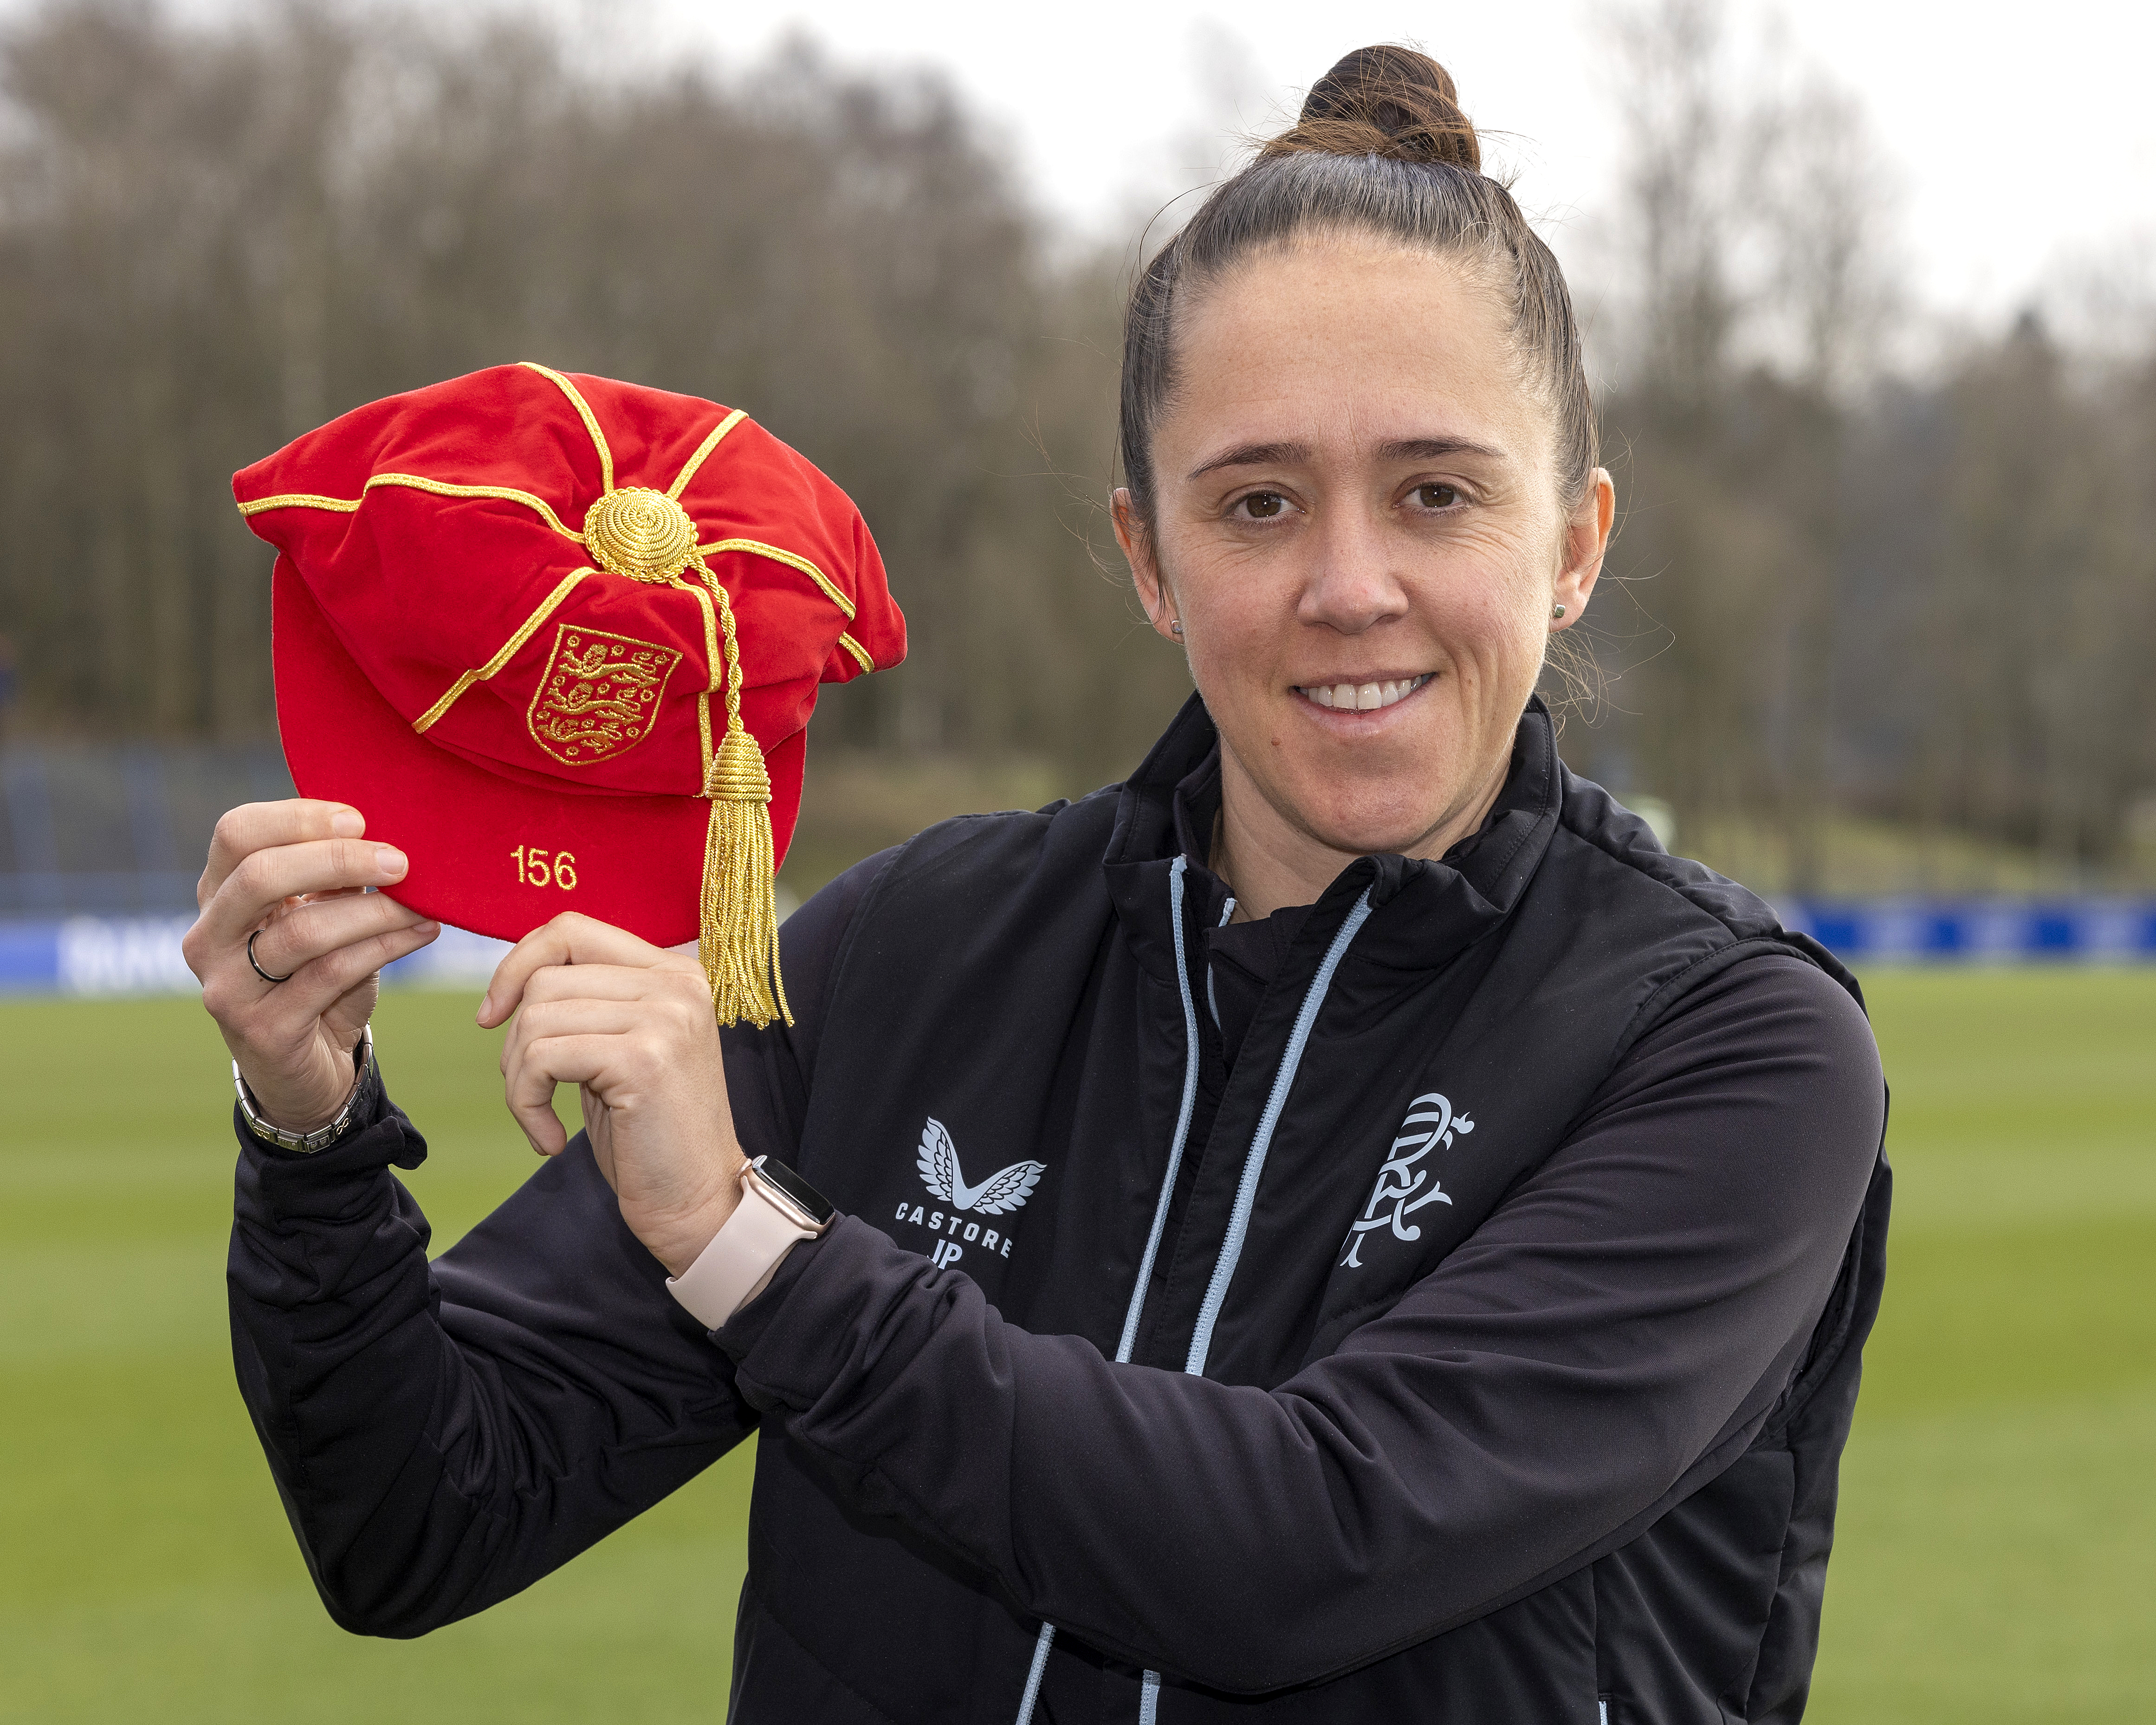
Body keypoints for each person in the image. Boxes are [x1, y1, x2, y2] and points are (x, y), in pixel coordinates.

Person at [190, 47, 1888, 1725]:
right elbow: (416, 1518)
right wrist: (313, 1128)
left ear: (1575, 542)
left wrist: (750, 1246)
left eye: (1436, 492)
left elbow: (1313, 1543)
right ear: (1150, 555)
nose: (1349, 583)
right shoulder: (916, 947)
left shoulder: (1735, 1046)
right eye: (1259, 503)